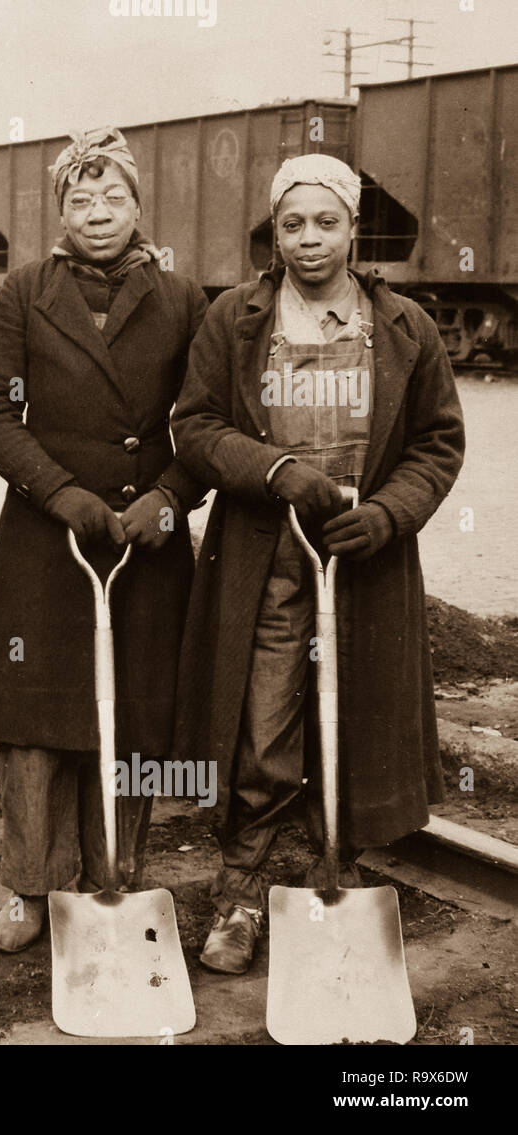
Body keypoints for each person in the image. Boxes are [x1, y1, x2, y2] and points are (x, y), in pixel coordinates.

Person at [171, 153, 465, 975]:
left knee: (356, 716)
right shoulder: (235, 316)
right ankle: (241, 893)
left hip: (362, 562)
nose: (309, 240)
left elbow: (439, 442)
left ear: (353, 227)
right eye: (292, 224)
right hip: (268, 558)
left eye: (326, 222)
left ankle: (336, 872)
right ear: (274, 232)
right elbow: (193, 425)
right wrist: (272, 469)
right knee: (264, 724)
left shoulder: (405, 324)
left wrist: (388, 514)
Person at [0, 127, 208, 952]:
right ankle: (31, 886)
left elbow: (210, 424)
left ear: (139, 207)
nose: (97, 213)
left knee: (131, 709)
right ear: (59, 210)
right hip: (49, 535)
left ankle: (118, 870)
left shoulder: (181, 299)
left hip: (144, 542)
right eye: (80, 199)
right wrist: (57, 489)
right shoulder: (25, 292)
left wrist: (171, 499)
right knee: (35, 714)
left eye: (114, 199)